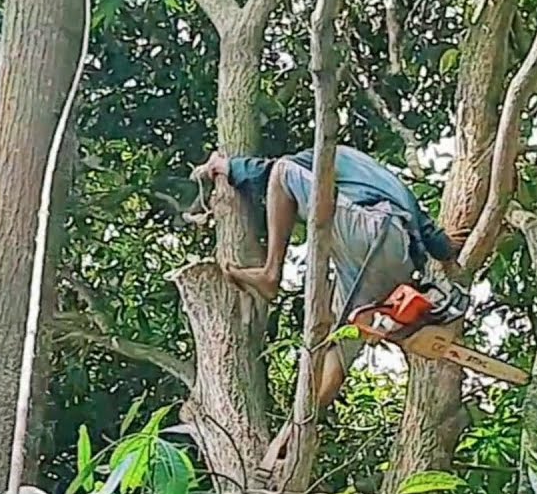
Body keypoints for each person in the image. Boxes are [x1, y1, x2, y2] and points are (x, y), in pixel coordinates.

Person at [194, 144, 461, 407]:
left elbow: (267, 171)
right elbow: (437, 243)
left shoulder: (334, 154)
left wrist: (225, 167)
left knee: (282, 171)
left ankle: (270, 272)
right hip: (396, 262)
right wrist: (452, 248)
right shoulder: (396, 186)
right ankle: (296, 431)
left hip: (372, 229)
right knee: (339, 340)